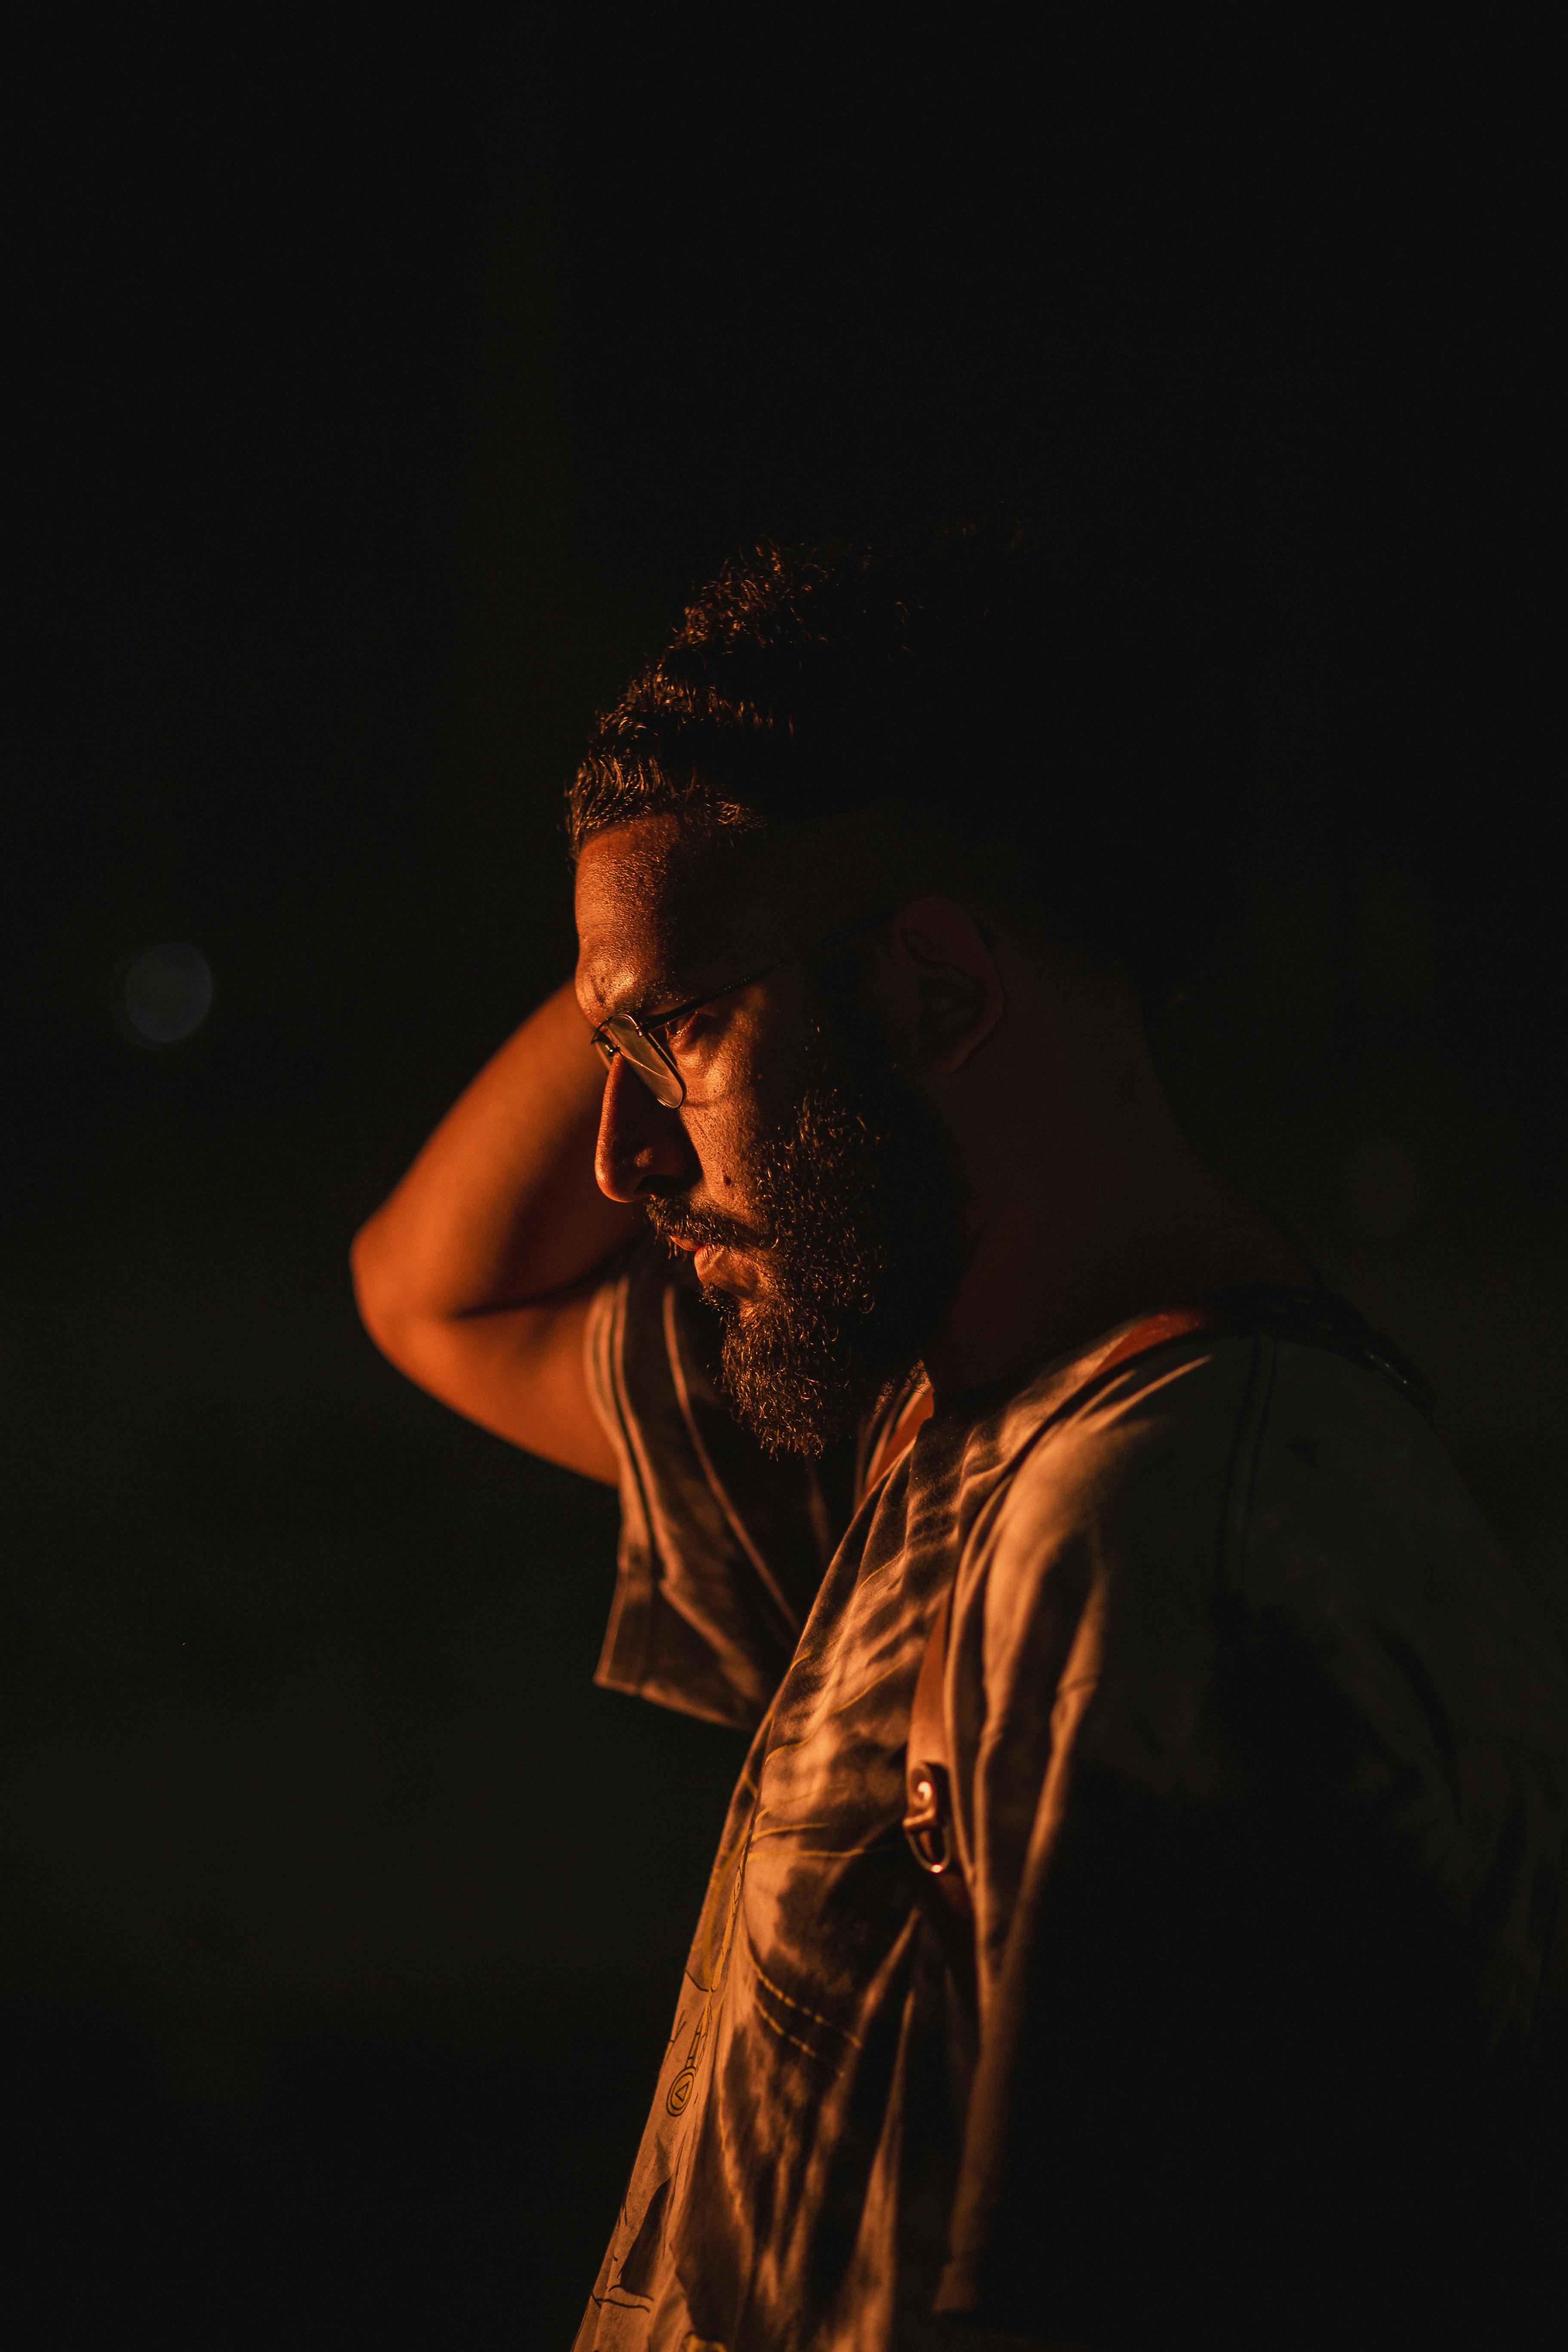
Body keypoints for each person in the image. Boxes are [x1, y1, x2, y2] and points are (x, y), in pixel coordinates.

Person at [352, 532, 1568, 2351]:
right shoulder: (936, 1428)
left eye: (676, 1045)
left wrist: (733, 885)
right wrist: (668, 934)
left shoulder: (1169, 1555)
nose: (621, 1158)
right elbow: (435, 1291)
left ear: (931, 990)